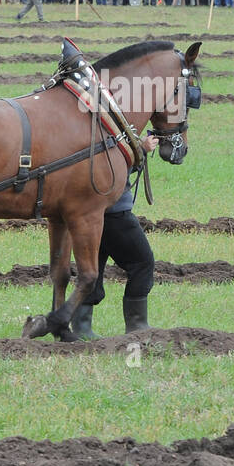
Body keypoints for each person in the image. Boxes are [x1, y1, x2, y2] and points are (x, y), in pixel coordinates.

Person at [72, 134, 164, 339]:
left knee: (92, 269)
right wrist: (141, 148)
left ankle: (81, 328)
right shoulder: (111, 125)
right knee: (142, 262)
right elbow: (114, 162)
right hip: (114, 213)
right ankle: (137, 326)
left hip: (91, 214)